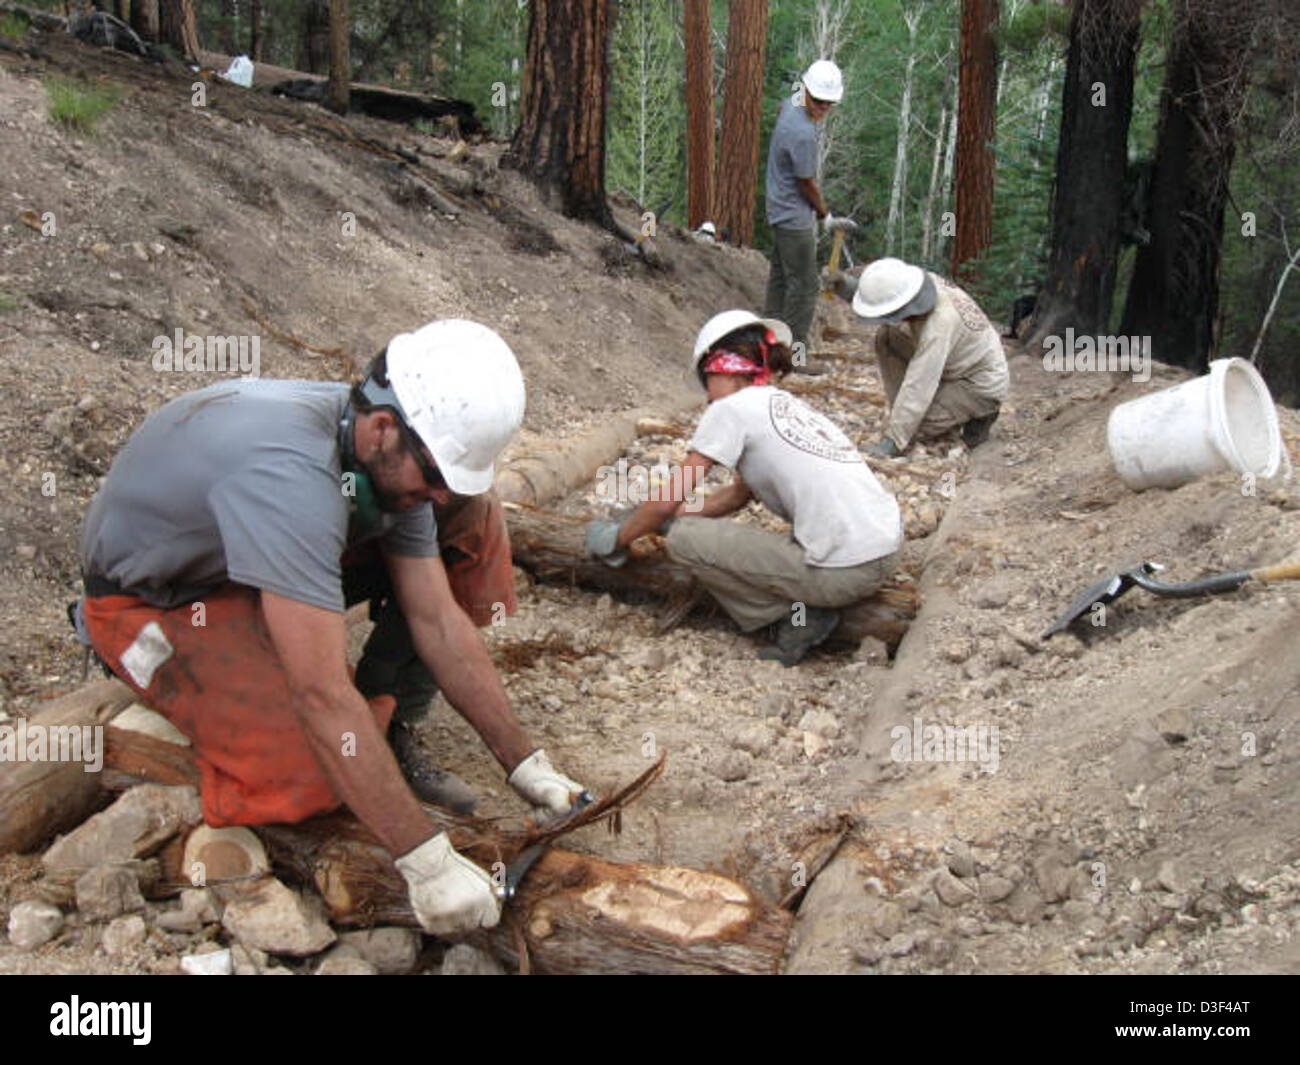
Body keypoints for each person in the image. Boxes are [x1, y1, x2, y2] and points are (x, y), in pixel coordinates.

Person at [74, 319, 590, 937]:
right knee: (309, 770)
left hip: (248, 558)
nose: (434, 494)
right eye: (432, 476)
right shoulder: (293, 477)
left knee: (473, 523)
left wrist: (526, 763)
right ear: (382, 429)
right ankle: (152, 682)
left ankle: (383, 716)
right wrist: (425, 865)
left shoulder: (384, 451)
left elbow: (437, 619)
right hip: (158, 600)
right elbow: (318, 696)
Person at [585, 310, 902, 667]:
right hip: (884, 553)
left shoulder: (730, 410)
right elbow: (735, 496)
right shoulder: (785, 405)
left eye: (706, 383)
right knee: (685, 528)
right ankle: (808, 605)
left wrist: (618, 538)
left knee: (685, 541)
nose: (707, 398)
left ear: (719, 368)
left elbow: (666, 499)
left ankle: (796, 615)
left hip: (844, 573)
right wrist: (662, 518)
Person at [834, 257, 1009, 456]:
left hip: (978, 384)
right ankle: (911, 414)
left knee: (915, 429)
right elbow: (890, 292)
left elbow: (920, 383)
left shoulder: (939, 325)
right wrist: (849, 288)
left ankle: (982, 414)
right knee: (887, 337)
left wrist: (894, 440)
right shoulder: (920, 284)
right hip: (956, 364)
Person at [763, 59, 844, 362]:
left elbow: (782, 107)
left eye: (829, 103)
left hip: (777, 205)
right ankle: (794, 356)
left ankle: (768, 340)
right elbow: (807, 184)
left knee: (781, 277)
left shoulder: (791, 104)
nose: (824, 108)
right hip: (793, 215)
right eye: (819, 101)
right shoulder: (803, 135)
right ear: (807, 92)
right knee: (806, 285)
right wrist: (826, 216)